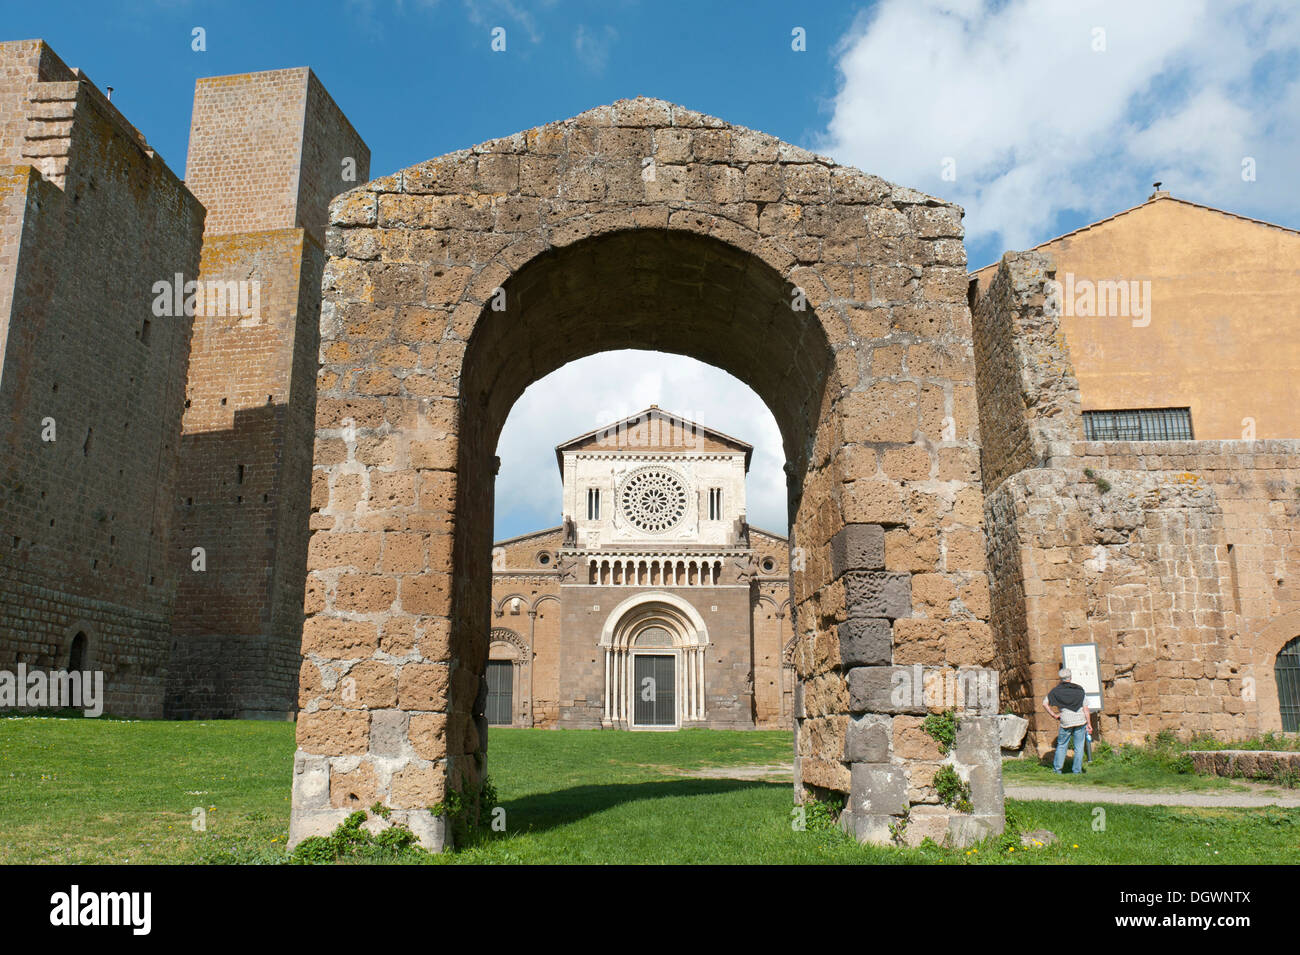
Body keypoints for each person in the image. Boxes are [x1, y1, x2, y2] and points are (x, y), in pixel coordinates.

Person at [1043, 667, 1090, 774]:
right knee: (1079, 747)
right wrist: (1089, 723)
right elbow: (1086, 708)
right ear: (1070, 677)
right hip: (1080, 720)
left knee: (1062, 745)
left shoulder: (1056, 691)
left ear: (1060, 679)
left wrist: (1054, 715)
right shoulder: (1079, 690)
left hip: (1066, 721)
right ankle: (1077, 771)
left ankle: (1057, 770)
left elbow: (1044, 703)